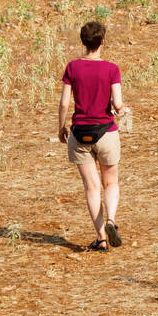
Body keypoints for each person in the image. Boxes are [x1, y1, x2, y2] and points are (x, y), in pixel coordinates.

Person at [58, 20, 130, 251]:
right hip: (106, 132)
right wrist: (125, 111)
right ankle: (111, 220)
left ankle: (100, 239)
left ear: (83, 42)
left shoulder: (72, 68)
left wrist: (61, 127)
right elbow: (117, 104)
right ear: (103, 42)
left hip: (80, 133)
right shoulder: (111, 69)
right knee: (110, 182)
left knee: (92, 188)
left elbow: (64, 103)